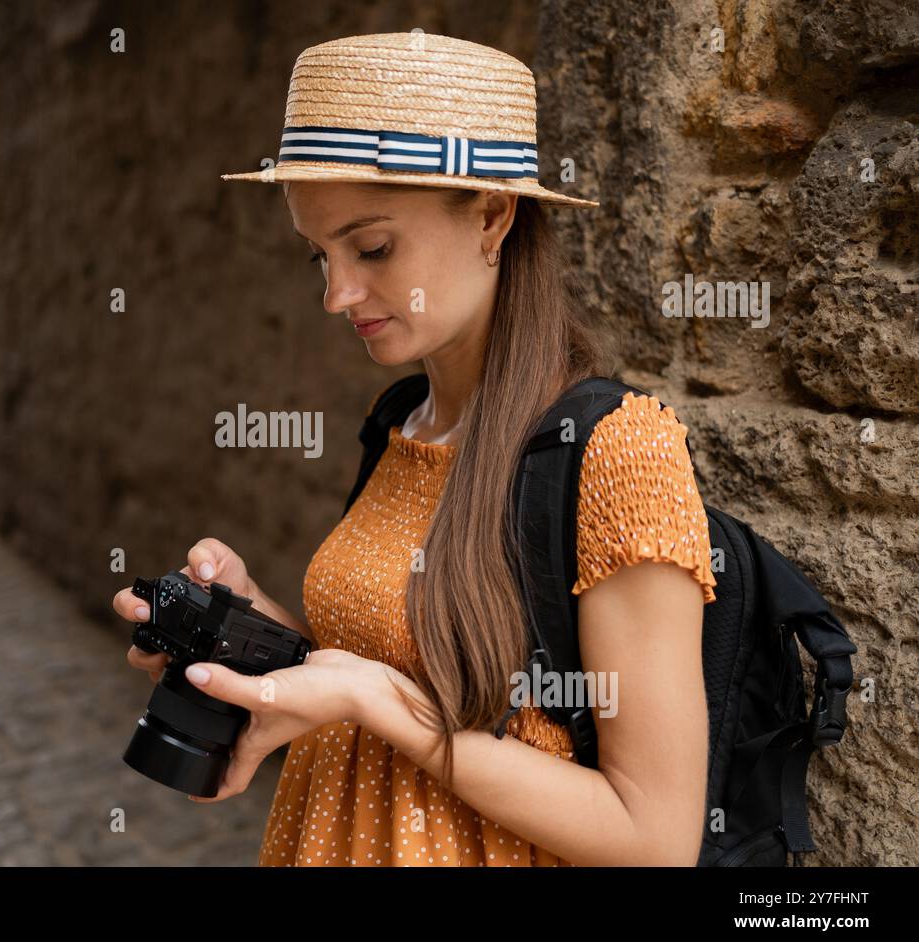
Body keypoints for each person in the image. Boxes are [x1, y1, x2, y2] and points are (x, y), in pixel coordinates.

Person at [113, 32, 717, 867]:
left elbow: (656, 837)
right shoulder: (402, 421)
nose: (336, 295)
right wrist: (253, 636)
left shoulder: (619, 452)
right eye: (318, 255)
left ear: (493, 216)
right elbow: (379, 676)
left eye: (371, 248)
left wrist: (378, 700)